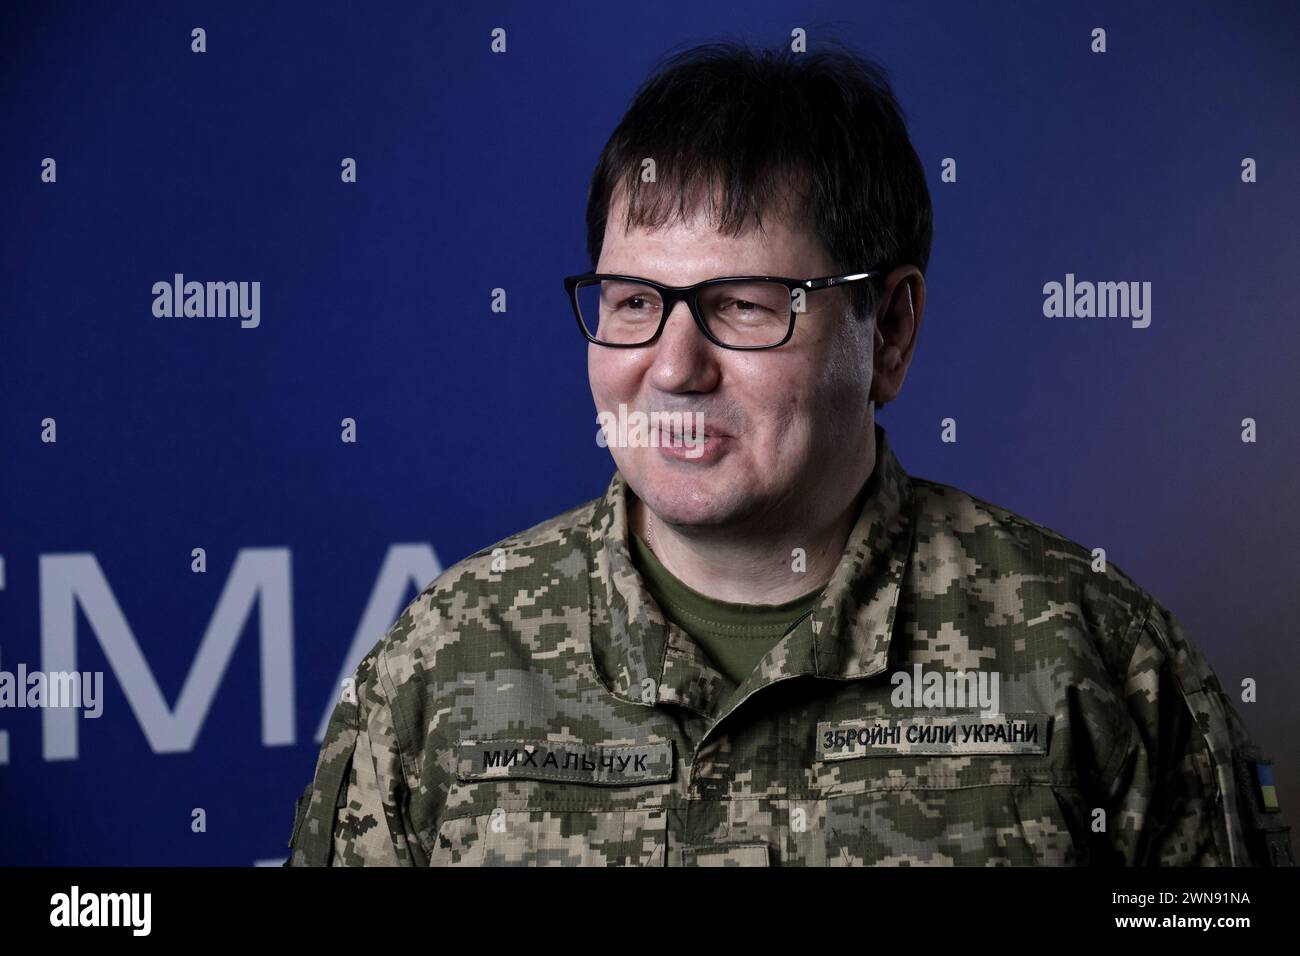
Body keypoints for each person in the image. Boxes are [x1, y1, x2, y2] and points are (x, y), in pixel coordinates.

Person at [285, 41, 1292, 866]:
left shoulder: (1099, 664)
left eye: (742, 307)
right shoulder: (440, 664)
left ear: (887, 330)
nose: (672, 367)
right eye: (633, 303)